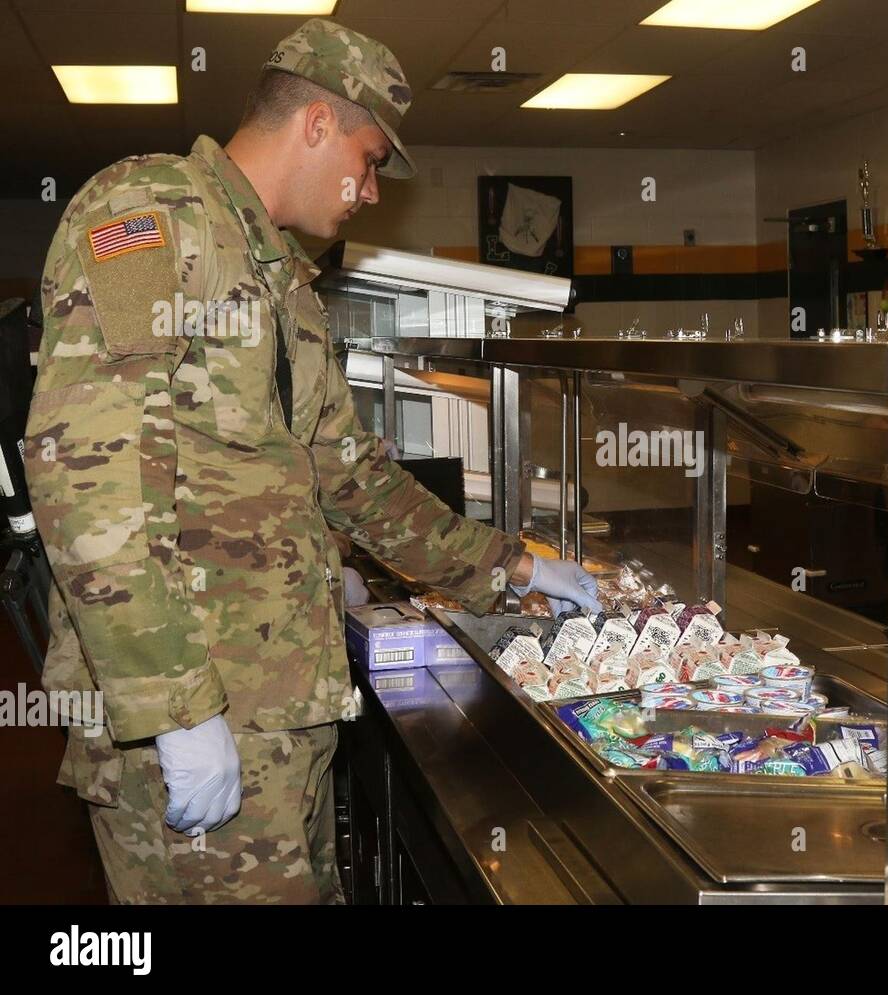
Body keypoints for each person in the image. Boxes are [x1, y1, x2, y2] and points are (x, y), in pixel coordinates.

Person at [24, 17, 599, 905]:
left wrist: (513, 564)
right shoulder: (148, 214)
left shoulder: (282, 282)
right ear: (318, 124)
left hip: (280, 725)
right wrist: (178, 711)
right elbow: (84, 472)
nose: (370, 191)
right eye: (371, 159)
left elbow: (354, 479)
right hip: (197, 718)